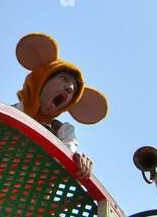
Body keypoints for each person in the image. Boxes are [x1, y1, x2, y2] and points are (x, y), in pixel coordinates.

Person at [12, 32, 108, 182]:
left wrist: (78, 162)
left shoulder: (62, 132)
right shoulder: (3, 113)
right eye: (63, 78)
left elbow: (68, 154)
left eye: (74, 90)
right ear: (41, 81)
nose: (70, 88)